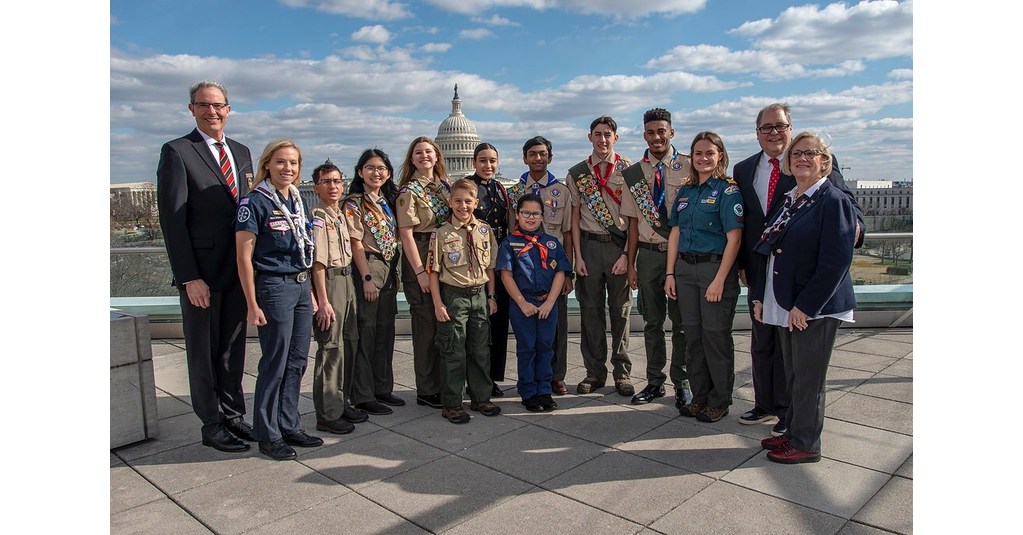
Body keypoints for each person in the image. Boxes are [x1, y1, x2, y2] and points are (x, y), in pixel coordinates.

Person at [732, 103, 864, 436]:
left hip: (804, 280)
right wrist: (745, 266)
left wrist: (849, 231)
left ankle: (792, 418)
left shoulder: (818, 173)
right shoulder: (745, 170)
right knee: (765, 343)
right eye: (767, 128)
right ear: (757, 133)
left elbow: (848, 218)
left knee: (800, 361)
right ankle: (768, 404)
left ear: (790, 128)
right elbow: (746, 222)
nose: (774, 133)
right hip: (763, 268)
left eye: (780, 126)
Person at [157, 80, 255, 453]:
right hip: (202, 273)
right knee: (203, 352)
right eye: (204, 105)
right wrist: (188, 277)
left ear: (228, 110)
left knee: (233, 350)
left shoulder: (242, 152)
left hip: (237, 272)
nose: (212, 112)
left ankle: (233, 416)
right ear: (192, 109)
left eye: (218, 106)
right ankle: (212, 425)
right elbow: (173, 220)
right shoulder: (178, 151)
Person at [752, 132, 857, 464]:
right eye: (796, 153)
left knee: (809, 378)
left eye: (810, 153)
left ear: (824, 161)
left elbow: (835, 262)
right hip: (787, 301)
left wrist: (806, 306)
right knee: (795, 374)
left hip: (813, 308)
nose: (802, 158)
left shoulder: (833, 200)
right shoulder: (793, 197)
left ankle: (807, 443)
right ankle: (793, 432)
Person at [236, 139, 323, 460]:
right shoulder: (255, 202)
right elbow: (243, 257)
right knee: (275, 361)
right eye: (281, 162)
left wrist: (312, 292)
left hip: (300, 287)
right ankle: (267, 432)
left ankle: (289, 423)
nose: (288, 169)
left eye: (294, 163)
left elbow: (305, 250)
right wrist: (252, 303)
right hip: (273, 288)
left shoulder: (297, 201)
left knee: (298, 360)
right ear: (267, 165)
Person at [664, 132, 743, 424]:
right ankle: (700, 397)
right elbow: (675, 233)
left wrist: (720, 279)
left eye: (709, 153)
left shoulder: (727, 191)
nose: (703, 158)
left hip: (714, 270)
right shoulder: (686, 192)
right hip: (685, 271)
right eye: (698, 153)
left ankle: (719, 400)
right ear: (691, 157)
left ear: (720, 155)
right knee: (692, 337)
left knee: (715, 337)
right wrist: (670, 273)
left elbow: (734, 239)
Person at [620, 108, 691, 408]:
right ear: (645, 135)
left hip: (681, 257)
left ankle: (682, 381)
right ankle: (654, 381)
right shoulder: (635, 174)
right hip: (648, 257)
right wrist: (631, 262)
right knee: (652, 322)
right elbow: (633, 224)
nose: (657, 137)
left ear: (671, 132)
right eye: (650, 132)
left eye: (662, 131)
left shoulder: (689, 166)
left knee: (682, 323)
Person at [568, 116, 634, 396]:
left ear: (615, 138)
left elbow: (635, 217)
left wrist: (628, 256)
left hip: (619, 248)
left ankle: (622, 372)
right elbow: (573, 219)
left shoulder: (629, 169)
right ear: (590, 137)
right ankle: (594, 372)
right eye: (598, 134)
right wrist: (578, 258)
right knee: (590, 312)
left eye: (608, 134)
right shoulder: (577, 172)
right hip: (589, 247)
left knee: (621, 313)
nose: (603, 139)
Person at [426, 178, 501, 423]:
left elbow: (490, 267)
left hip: (479, 295)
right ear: (450, 202)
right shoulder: (440, 233)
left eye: (468, 201)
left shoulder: (484, 230)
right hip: (453, 296)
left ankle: (481, 396)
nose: (463, 206)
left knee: (480, 350)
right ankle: (453, 403)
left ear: (476, 203)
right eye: (457, 201)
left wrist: (491, 296)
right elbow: (433, 272)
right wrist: (438, 303)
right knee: (454, 350)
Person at [506, 136, 574, 395]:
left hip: (553, 268)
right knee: (527, 332)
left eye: (543, 153)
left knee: (556, 326)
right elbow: (511, 232)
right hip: (523, 267)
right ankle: (529, 379)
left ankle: (556, 376)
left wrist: (567, 272)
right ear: (525, 158)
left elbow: (566, 233)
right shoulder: (514, 192)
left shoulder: (562, 191)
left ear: (550, 158)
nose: (538, 158)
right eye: (532, 154)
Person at [496, 194, 572, 412]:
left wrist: (550, 302)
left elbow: (560, 272)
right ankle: (528, 391)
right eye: (526, 213)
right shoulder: (510, 243)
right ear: (518, 215)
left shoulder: (552, 242)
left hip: (547, 303)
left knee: (545, 347)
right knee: (527, 348)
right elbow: (506, 275)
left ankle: (544, 390)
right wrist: (522, 303)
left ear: (542, 216)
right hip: (523, 305)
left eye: (535, 213)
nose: (531, 217)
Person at [343, 149, 405, 414]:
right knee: (366, 333)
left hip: (388, 270)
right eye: (370, 168)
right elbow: (356, 243)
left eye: (381, 168)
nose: (376, 173)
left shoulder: (387, 202)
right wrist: (367, 277)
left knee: (385, 332)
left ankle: (382, 388)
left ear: (388, 173)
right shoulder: (354, 204)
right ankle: (363, 394)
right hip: (368, 267)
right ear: (360, 172)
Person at [308, 159, 365, 436]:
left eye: (337, 181)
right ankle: (328, 413)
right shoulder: (318, 218)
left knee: (350, 342)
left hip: (347, 279)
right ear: (316, 186)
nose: (333, 186)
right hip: (329, 281)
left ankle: (344, 402)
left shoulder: (341, 214)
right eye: (326, 181)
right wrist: (323, 301)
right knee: (330, 347)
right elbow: (317, 264)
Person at [395, 136, 451, 409]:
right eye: (418, 153)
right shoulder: (409, 191)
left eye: (429, 152)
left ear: (437, 155)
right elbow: (405, 234)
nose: (424, 156)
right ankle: (427, 389)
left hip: (444, 258)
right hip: (421, 254)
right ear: (412, 159)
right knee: (426, 327)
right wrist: (419, 272)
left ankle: (444, 383)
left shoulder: (445, 188)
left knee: (443, 324)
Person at [466, 143, 514, 399]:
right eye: (483, 160)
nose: (488, 165)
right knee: (477, 325)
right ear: (474, 162)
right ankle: (475, 376)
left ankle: (492, 376)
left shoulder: (500, 189)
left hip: (498, 257)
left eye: (493, 160)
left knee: (497, 323)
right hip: (476, 257)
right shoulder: (467, 188)